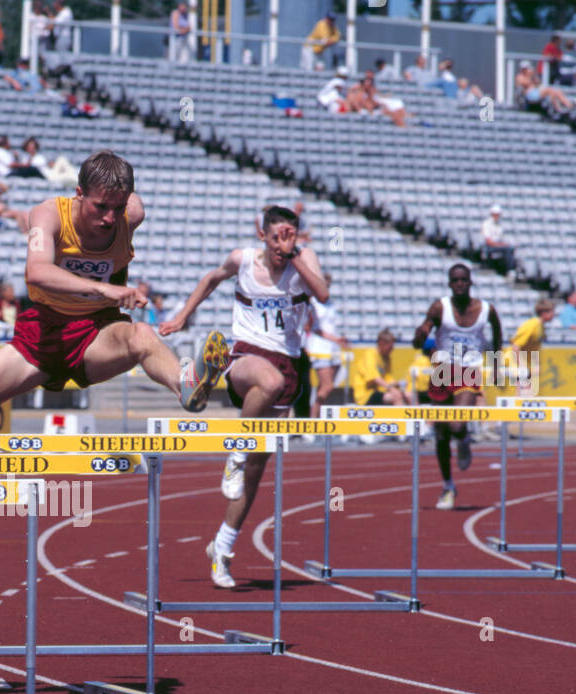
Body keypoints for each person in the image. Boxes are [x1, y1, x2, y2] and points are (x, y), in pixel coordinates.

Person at [0, 150, 224, 435]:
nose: (110, 218)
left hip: (97, 333)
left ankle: (185, 384)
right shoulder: (49, 214)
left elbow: (128, 203)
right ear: (79, 194)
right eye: (101, 207)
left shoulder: (132, 215)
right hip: (42, 337)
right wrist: (102, 287)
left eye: (118, 208)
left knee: (142, 335)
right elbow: (37, 272)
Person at [160, 206, 329, 588]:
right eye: (276, 237)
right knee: (264, 385)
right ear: (262, 236)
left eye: (290, 235)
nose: (282, 243)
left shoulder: (304, 258)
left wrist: (295, 256)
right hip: (247, 357)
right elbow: (211, 278)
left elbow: (322, 293)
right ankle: (234, 448)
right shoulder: (242, 259)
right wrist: (184, 315)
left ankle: (221, 547)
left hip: (289, 364)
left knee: (257, 469)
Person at [411, 264, 502, 510]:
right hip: (442, 371)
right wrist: (420, 335)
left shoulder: (485, 310)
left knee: (457, 423)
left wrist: (495, 365)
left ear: (470, 282)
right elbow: (424, 330)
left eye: (463, 280)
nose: (460, 284)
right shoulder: (440, 307)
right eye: (455, 280)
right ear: (449, 284)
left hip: (468, 372)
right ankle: (448, 486)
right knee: (441, 434)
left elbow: (497, 332)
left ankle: (462, 440)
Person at [304, 273, 347, 414]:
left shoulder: (330, 302)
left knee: (326, 387)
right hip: (320, 347)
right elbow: (313, 328)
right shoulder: (312, 303)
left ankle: (316, 419)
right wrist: (336, 340)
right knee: (326, 386)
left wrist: (338, 340)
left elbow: (331, 326)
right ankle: (311, 421)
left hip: (332, 348)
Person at [350, 329, 411, 408]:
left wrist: (398, 384)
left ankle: (419, 420)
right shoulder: (370, 354)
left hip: (380, 390)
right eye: (390, 347)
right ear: (382, 343)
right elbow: (374, 378)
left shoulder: (386, 358)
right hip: (366, 395)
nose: (392, 349)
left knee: (409, 395)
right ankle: (401, 420)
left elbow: (388, 379)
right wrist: (391, 388)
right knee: (396, 396)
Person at [480, 204, 515, 276]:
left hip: (498, 245)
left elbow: (501, 238)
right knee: (507, 249)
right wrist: (501, 245)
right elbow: (488, 241)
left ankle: (509, 269)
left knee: (510, 248)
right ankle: (510, 270)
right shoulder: (486, 224)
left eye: (498, 215)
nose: (496, 216)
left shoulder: (499, 225)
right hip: (490, 246)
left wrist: (503, 244)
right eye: (495, 214)